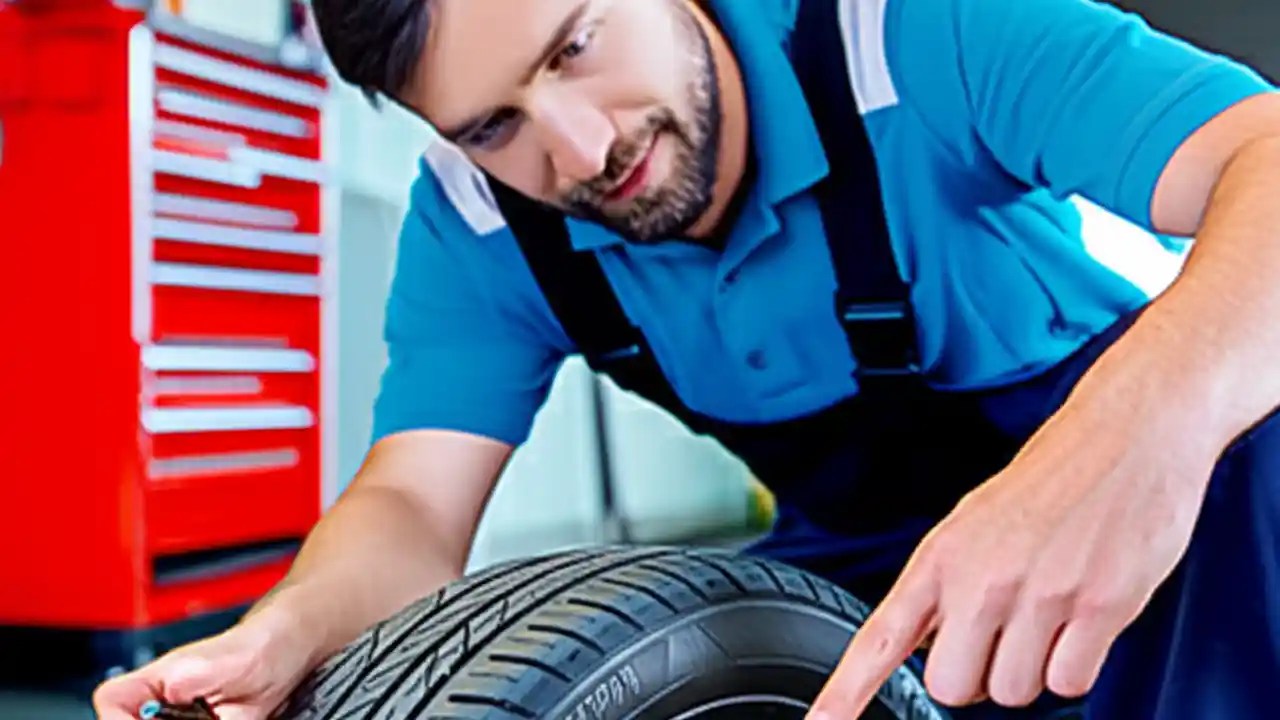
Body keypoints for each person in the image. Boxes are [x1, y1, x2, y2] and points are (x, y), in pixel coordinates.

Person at [94, 0, 1280, 718]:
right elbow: (409, 499)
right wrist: (291, 629)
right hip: (869, 562)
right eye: (491, 126)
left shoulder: (903, 35)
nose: (582, 147)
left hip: (1176, 515)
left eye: (573, 47)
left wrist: (1129, 443)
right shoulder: (478, 222)